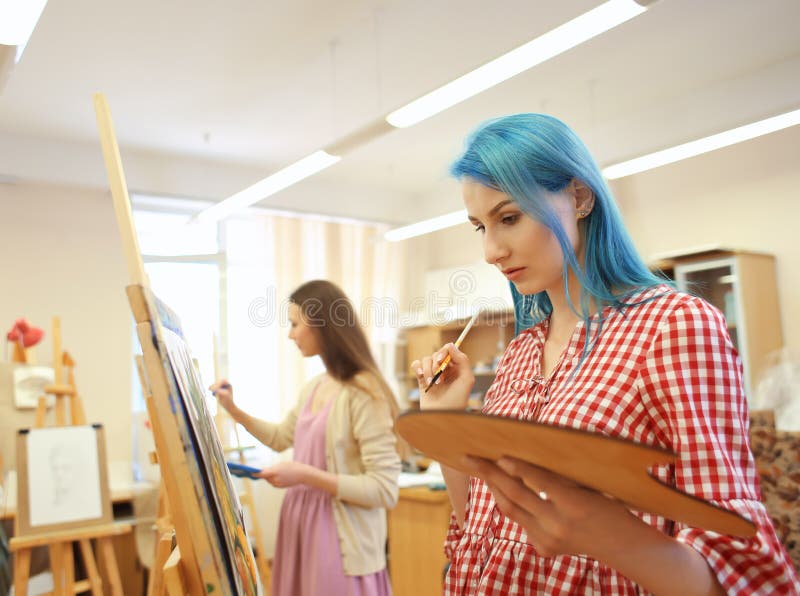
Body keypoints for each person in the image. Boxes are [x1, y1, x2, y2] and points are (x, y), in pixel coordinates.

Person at [412, 113, 799, 594]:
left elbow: (745, 570)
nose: (491, 250)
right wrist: (448, 429)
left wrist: (614, 538)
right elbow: (484, 530)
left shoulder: (674, 327)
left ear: (579, 197)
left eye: (509, 217)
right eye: (479, 227)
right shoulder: (520, 353)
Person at [211, 279, 401, 596]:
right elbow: (280, 437)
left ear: (322, 325)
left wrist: (303, 474)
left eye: (295, 324)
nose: (290, 334)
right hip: (301, 533)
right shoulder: (314, 387)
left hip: (340, 546)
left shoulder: (366, 392)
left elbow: (384, 489)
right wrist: (234, 410)